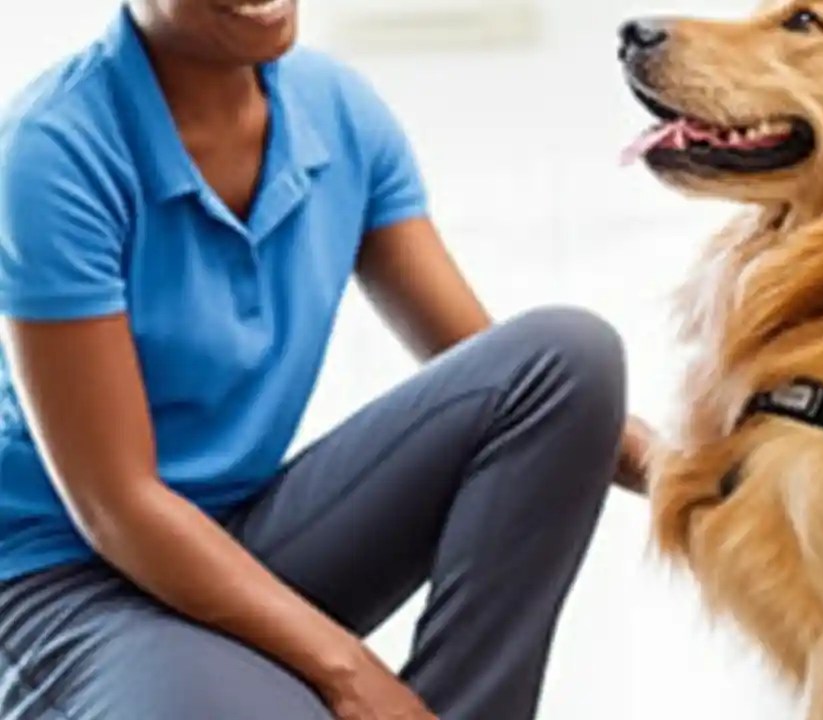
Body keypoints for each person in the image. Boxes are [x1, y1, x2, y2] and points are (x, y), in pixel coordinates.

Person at [0, 1, 653, 718]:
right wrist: (350, 672)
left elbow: (495, 373)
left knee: (566, 359)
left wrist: (703, 470)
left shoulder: (336, 111)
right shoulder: (51, 150)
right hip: (64, 581)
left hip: (244, 538)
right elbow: (117, 505)